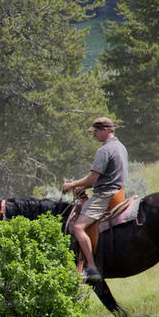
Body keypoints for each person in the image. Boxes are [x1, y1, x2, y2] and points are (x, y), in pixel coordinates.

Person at [61, 117, 128, 284]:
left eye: (96, 131)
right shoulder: (120, 147)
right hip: (118, 192)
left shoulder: (105, 150)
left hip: (105, 196)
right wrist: (81, 186)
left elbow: (93, 178)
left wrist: (71, 185)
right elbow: (103, 177)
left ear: (105, 130)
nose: (94, 135)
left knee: (78, 227)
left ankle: (91, 267)